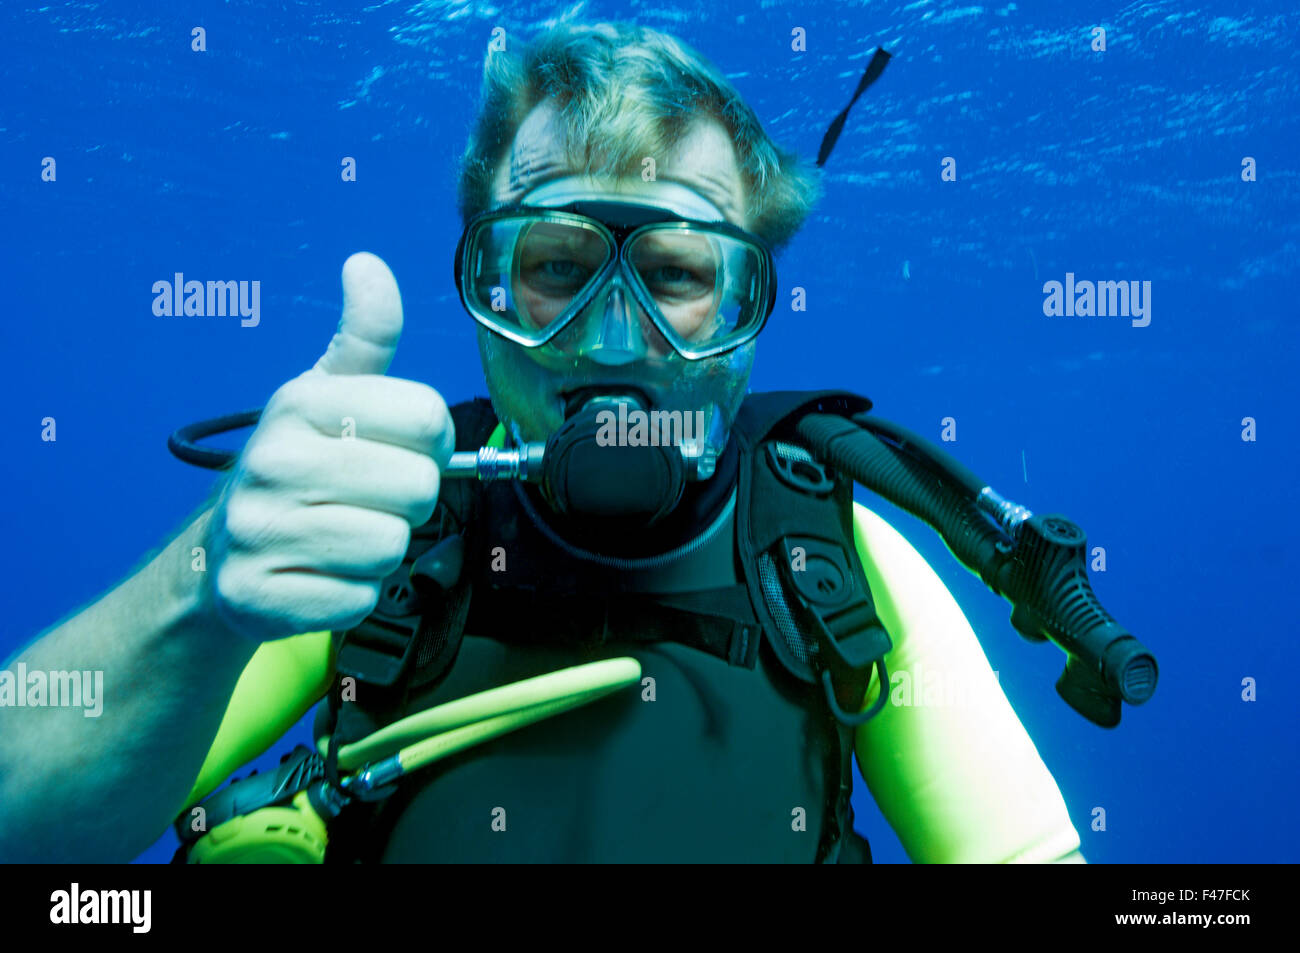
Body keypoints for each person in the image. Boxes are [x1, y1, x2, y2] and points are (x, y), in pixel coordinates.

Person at [0, 21, 1084, 864]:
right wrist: (201, 592)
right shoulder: (373, 531)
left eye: (676, 274)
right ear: (484, 287)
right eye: (556, 268)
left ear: (751, 305)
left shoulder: (830, 561)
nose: (613, 343)